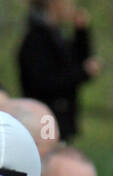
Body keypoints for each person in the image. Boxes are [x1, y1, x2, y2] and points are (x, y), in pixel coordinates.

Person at [18, 1, 101, 143]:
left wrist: (81, 32)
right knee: (50, 159)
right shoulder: (36, 40)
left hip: (61, 122)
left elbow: (76, 60)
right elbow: (44, 83)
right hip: (46, 121)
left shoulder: (55, 36)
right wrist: (82, 73)